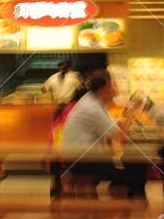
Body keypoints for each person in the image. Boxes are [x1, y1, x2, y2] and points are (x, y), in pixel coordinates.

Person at [60, 69, 146, 197]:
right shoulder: (93, 108)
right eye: (113, 85)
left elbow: (113, 129)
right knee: (135, 171)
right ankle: (126, 209)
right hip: (82, 161)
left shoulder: (91, 101)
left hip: (81, 157)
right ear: (103, 88)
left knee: (132, 167)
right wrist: (132, 111)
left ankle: (112, 210)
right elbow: (120, 136)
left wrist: (127, 113)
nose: (116, 90)